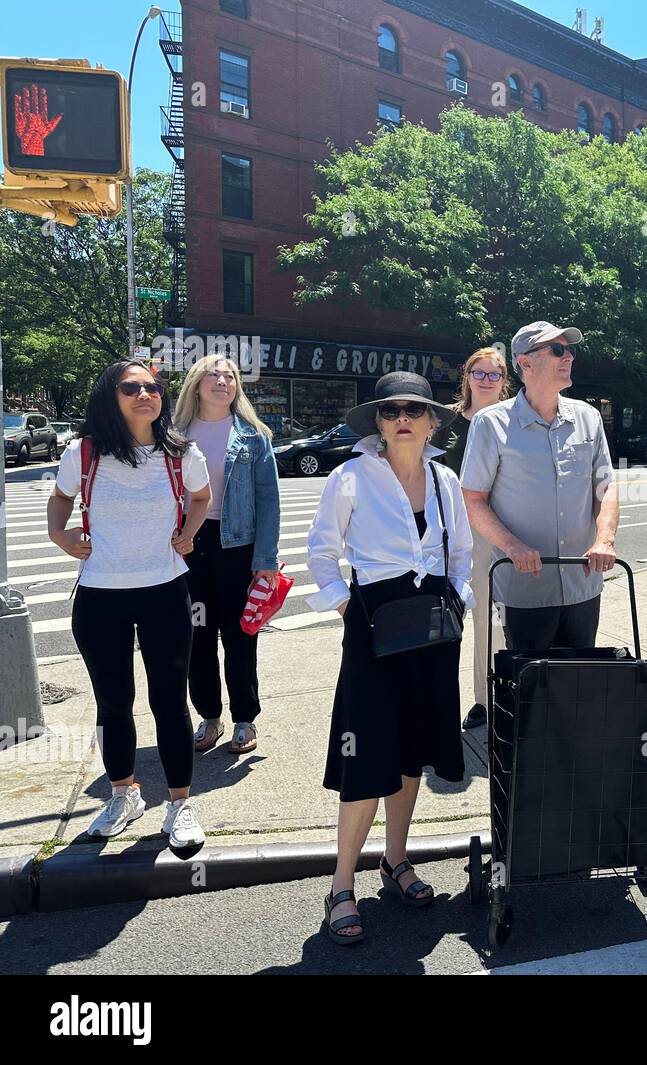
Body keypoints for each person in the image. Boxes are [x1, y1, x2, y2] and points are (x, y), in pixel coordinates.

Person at [306, 372, 474, 945]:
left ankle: (395, 860)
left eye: (414, 409)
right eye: (390, 410)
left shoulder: (444, 478)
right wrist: (343, 607)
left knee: (413, 749)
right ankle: (341, 884)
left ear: (431, 422)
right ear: (378, 423)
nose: (402, 417)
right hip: (374, 622)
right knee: (367, 749)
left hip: (432, 622)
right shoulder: (350, 476)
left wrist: (460, 598)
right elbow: (322, 551)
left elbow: (464, 554)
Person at [46, 360, 212, 850]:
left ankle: (180, 803)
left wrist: (188, 534)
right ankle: (123, 793)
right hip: (99, 594)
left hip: (164, 589)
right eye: (132, 387)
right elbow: (59, 500)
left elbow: (201, 498)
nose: (146, 394)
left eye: (153, 387)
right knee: (113, 702)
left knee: (169, 700)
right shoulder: (85, 452)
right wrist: (59, 535)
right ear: (110, 396)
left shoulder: (181, 452)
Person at [460, 322, 619, 654]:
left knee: (579, 684)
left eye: (569, 349)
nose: (569, 356)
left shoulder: (588, 418)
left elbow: (606, 488)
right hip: (523, 589)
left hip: (582, 583)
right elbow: (472, 499)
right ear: (525, 362)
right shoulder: (491, 423)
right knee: (527, 690)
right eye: (558, 349)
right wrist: (513, 546)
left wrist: (604, 540)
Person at [175, 354, 281, 756]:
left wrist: (266, 558)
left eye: (230, 376)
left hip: (239, 545)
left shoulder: (253, 435)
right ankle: (209, 716)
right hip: (189, 543)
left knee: (240, 637)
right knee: (196, 635)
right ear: (196, 384)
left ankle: (244, 719)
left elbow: (268, 500)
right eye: (213, 375)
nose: (222, 381)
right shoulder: (174, 434)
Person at [433, 346, 512, 730]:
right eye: (477, 373)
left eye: (493, 374)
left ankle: (495, 696)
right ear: (465, 376)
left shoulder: (514, 421)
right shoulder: (445, 424)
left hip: (501, 530)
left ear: (503, 381)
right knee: (456, 618)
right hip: (455, 532)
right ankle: (467, 700)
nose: (485, 380)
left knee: (494, 620)